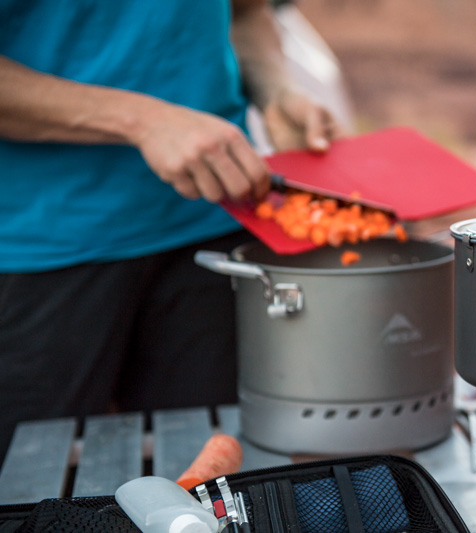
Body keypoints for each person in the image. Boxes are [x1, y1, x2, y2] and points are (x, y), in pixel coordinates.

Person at [0, 0, 341, 461]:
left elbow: (245, 12)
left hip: (214, 224)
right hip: (40, 246)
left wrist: (276, 91)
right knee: (29, 485)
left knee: (220, 479)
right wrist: (143, 120)